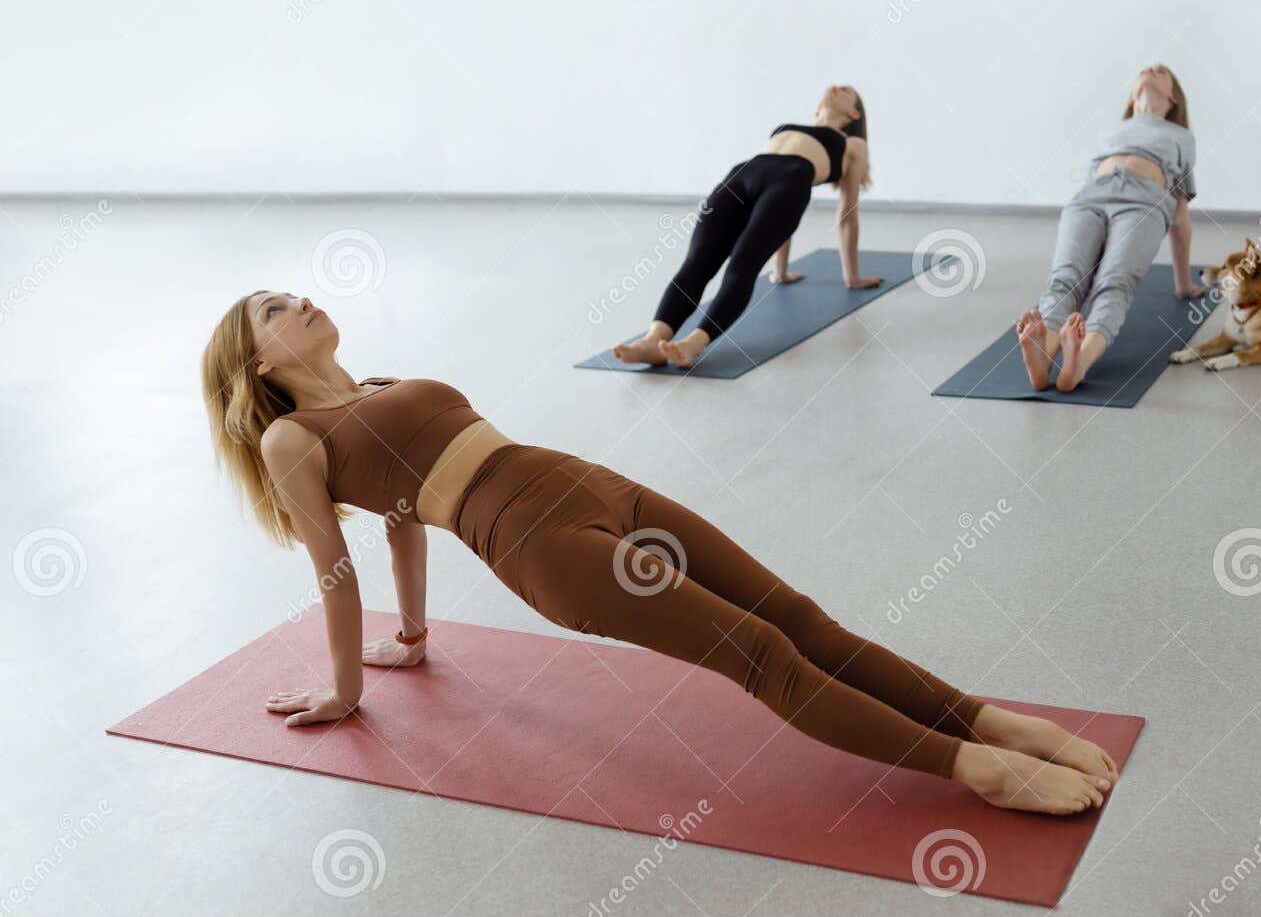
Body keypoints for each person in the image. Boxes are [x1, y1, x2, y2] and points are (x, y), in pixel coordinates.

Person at [201, 291, 1121, 814]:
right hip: (542, 544)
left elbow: (400, 521)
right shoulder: (294, 441)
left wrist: (413, 632)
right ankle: (977, 769)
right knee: (762, 657)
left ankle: (987, 719)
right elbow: (336, 562)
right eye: (275, 309)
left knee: (798, 619)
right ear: (258, 365)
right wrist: (348, 689)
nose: (300, 298)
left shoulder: (379, 382)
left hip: (591, 484)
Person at [612, 85, 882, 369]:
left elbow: (847, 212)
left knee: (742, 265)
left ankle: (693, 343)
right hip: (741, 175)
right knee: (697, 262)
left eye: (846, 91)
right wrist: (780, 271)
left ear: (853, 113)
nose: (836, 88)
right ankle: (653, 340)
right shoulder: (790, 126)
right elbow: (777, 223)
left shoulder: (854, 145)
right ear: (817, 108)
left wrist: (853, 277)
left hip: (791, 180)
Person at [1017, 65, 1204, 392]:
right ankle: (1043, 354)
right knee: (1065, 278)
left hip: (1143, 201)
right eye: (1147, 69)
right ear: (1133, 91)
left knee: (1114, 282)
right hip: (1090, 197)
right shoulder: (1111, 130)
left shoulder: (1182, 136)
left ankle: (1079, 362)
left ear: (1173, 96)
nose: (1152, 69)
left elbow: (1181, 216)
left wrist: (1184, 284)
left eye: (1162, 72)